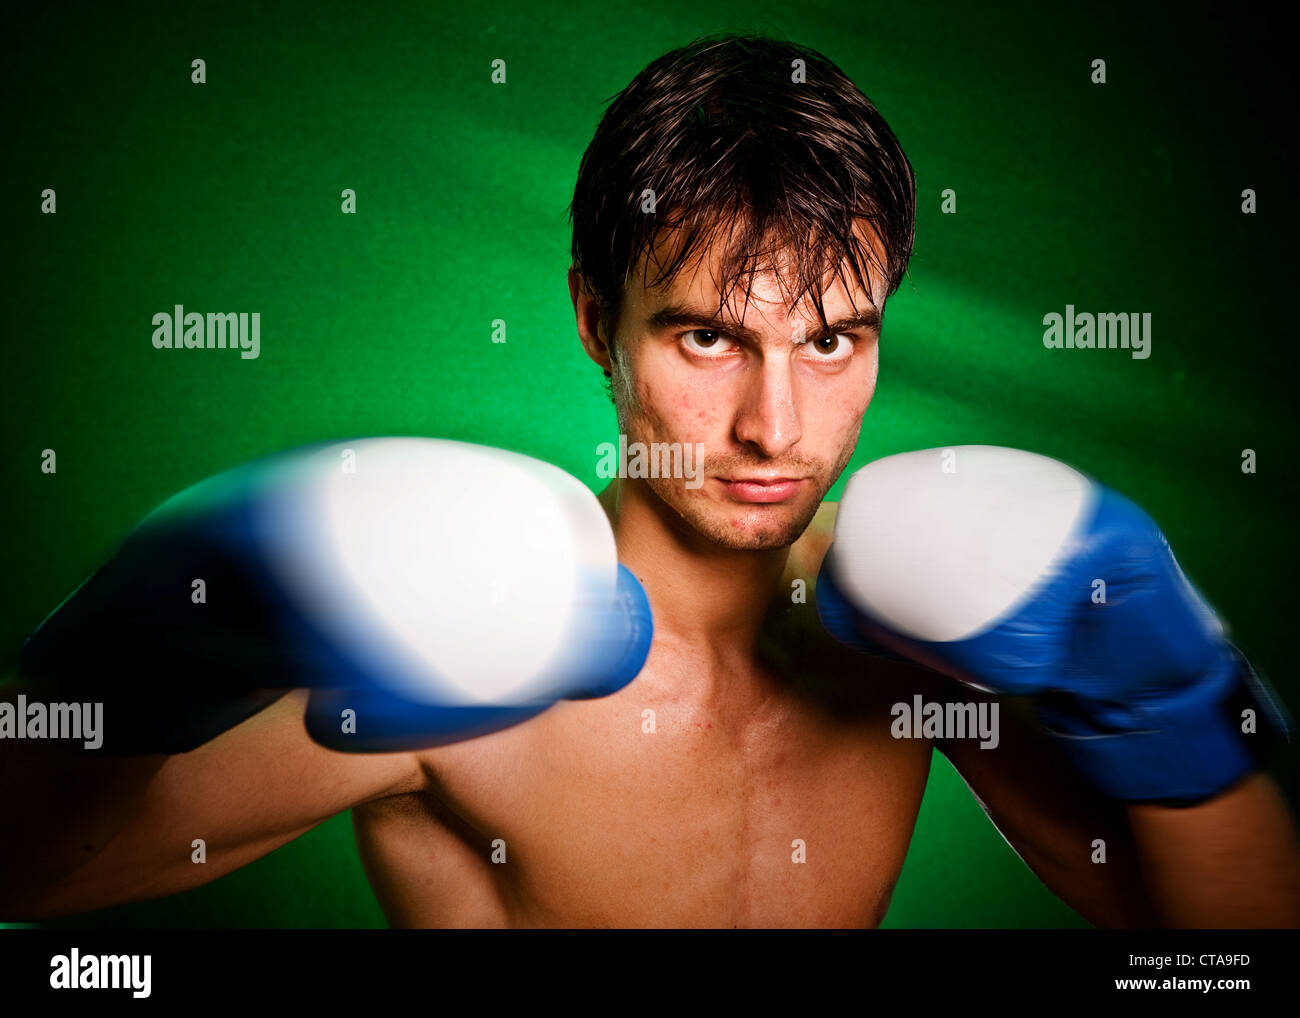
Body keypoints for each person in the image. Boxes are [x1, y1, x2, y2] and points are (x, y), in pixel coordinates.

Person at [2, 32, 1297, 929]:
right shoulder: (474, 644)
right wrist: (124, 662)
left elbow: (1214, 945)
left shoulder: (909, 635)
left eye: (831, 341)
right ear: (595, 320)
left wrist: (1181, 710)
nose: (775, 427)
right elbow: (31, 876)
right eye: (709, 337)